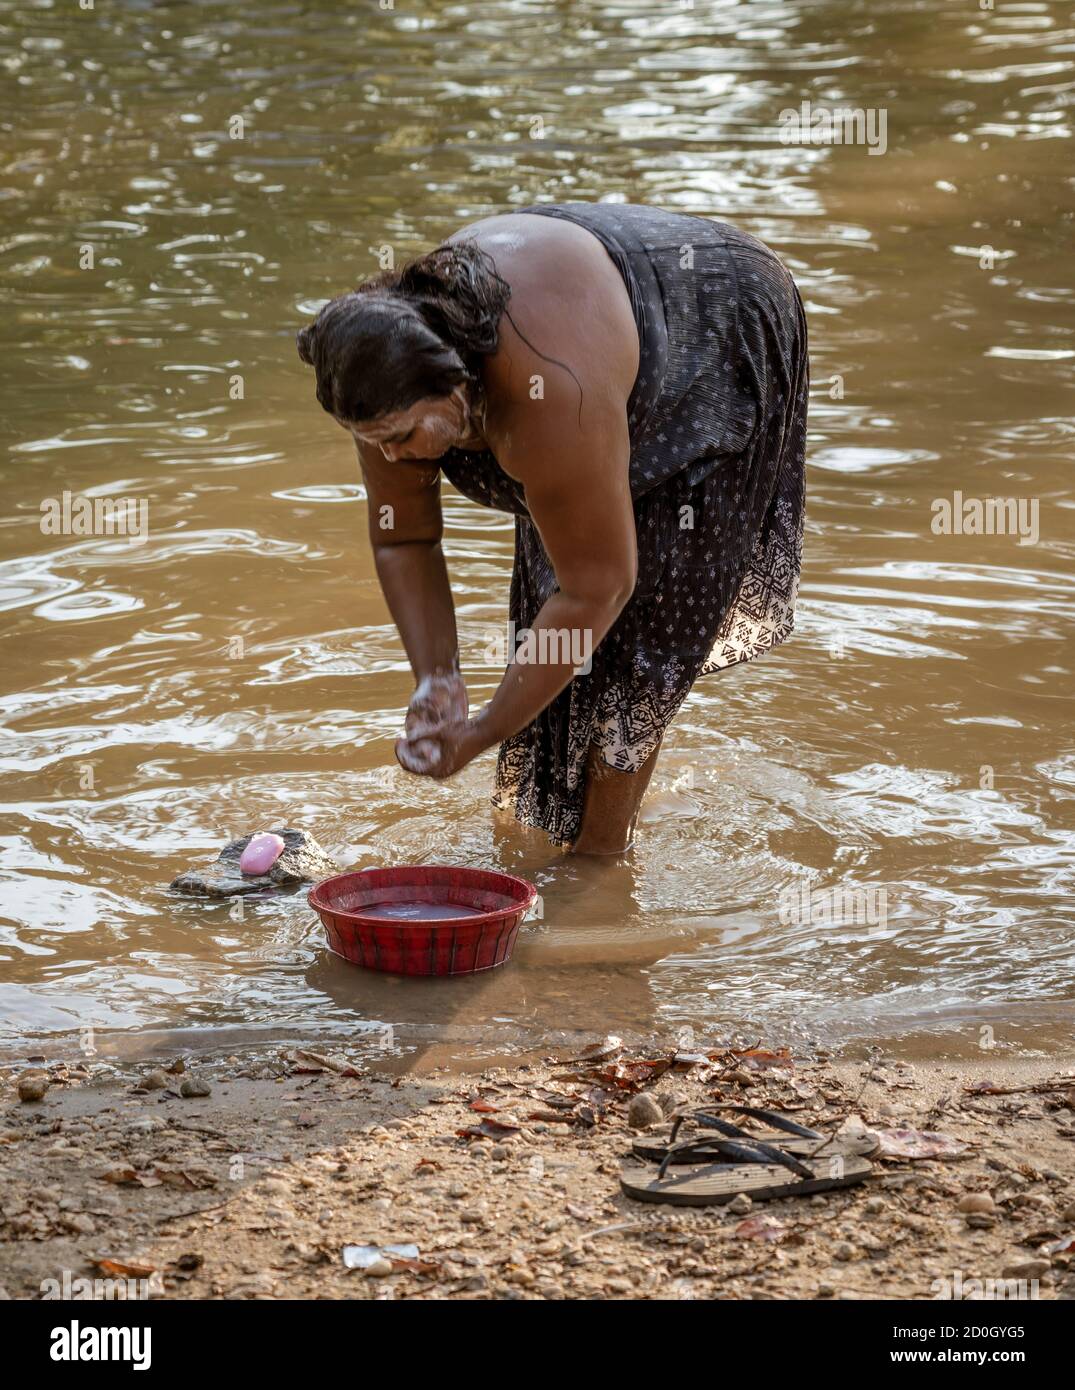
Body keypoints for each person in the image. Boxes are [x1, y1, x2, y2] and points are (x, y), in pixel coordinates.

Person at [296, 202, 808, 855]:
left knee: (638, 639)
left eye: (400, 437)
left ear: (459, 388)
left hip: (717, 320)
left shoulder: (545, 394)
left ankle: (599, 870)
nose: (390, 457)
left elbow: (596, 588)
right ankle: (559, 831)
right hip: (583, 337)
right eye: (372, 442)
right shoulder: (378, 373)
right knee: (553, 622)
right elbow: (405, 538)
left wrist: (481, 732)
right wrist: (437, 675)